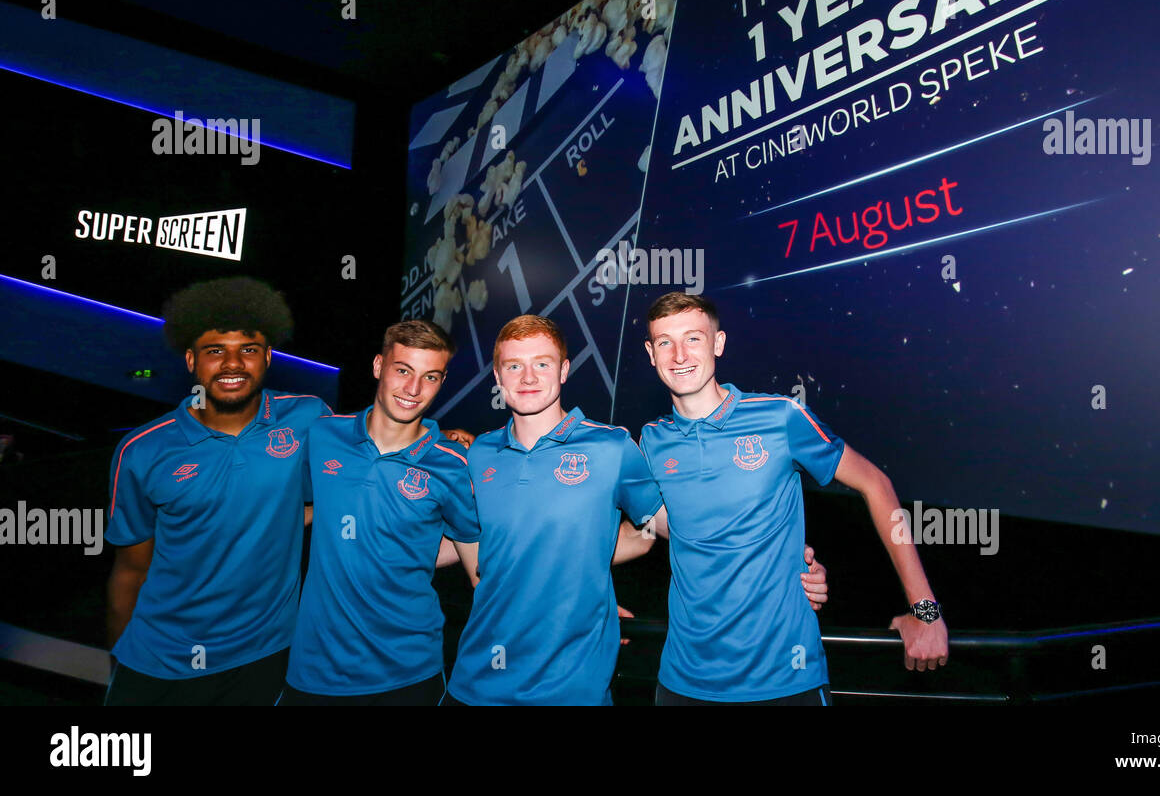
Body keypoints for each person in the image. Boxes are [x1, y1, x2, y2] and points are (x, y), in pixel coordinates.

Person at [443, 315, 829, 705]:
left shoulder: (612, 448)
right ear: (497, 375)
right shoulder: (478, 454)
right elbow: (476, 546)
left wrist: (785, 554)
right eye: (514, 366)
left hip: (571, 689)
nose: (528, 378)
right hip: (473, 682)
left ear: (563, 370)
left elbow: (664, 529)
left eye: (541, 364)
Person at [637, 292, 949, 705]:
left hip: (786, 680)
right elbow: (671, 531)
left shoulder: (779, 417)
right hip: (683, 682)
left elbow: (875, 484)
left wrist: (924, 610)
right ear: (651, 352)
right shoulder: (651, 441)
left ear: (718, 343)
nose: (679, 355)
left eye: (693, 338)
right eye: (665, 342)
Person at [104, 277, 330, 705]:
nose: (232, 364)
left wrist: (443, 438)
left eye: (248, 349)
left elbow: (367, 462)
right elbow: (131, 571)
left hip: (267, 657)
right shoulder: (142, 451)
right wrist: (119, 663)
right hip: (160, 661)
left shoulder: (308, 417)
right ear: (191, 361)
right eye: (214, 351)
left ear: (268, 356)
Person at [280, 319, 480, 704]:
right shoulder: (323, 436)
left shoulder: (453, 464)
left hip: (408, 674)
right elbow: (296, 511)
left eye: (431, 377)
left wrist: (575, 610)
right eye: (403, 370)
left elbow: (482, 574)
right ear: (378, 367)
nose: (413, 389)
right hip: (313, 669)